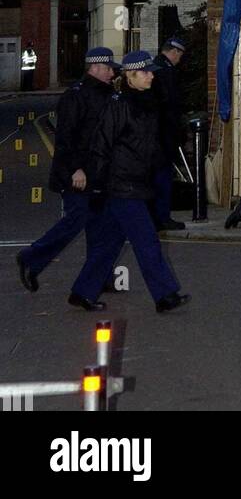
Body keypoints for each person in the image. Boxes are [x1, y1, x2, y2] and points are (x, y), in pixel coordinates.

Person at [68, 50, 189, 313]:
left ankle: (82, 291)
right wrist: (97, 185)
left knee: (109, 244)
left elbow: (146, 147)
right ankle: (165, 295)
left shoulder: (146, 103)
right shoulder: (120, 105)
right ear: (130, 77)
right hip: (121, 184)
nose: (150, 76)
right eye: (144, 73)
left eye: (151, 72)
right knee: (147, 240)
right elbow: (101, 145)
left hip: (134, 183)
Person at [16, 47, 120, 293]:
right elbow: (65, 138)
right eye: (108, 69)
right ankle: (31, 256)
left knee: (99, 226)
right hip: (76, 174)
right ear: (94, 68)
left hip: (99, 173)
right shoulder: (75, 96)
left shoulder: (107, 94)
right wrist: (76, 169)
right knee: (76, 219)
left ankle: (97, 278)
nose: (111, 73)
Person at [150, 36, 187, 231]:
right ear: (174, 52)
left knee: (159, 177)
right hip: (163, 135)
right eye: (180, 56)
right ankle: (162, 217)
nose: (180, 60)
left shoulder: (157, 67)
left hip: (158, 134)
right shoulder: (166, 71)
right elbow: (170, 106)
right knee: (162, 178)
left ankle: (158, 216)